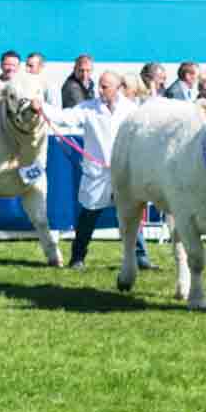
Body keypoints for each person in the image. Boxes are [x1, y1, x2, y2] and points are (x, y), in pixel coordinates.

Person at [69, 71, 134, 270]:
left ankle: (139, 258)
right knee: (88, 216)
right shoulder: (88, 108)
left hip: (123, 172)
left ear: (117, 88)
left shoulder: (131, 110)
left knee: (131, 216)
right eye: (99, 85)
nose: (99, 90)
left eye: (105, 86)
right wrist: (41, 108)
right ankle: (77, 258)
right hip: (97, 173)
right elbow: (65, 117)